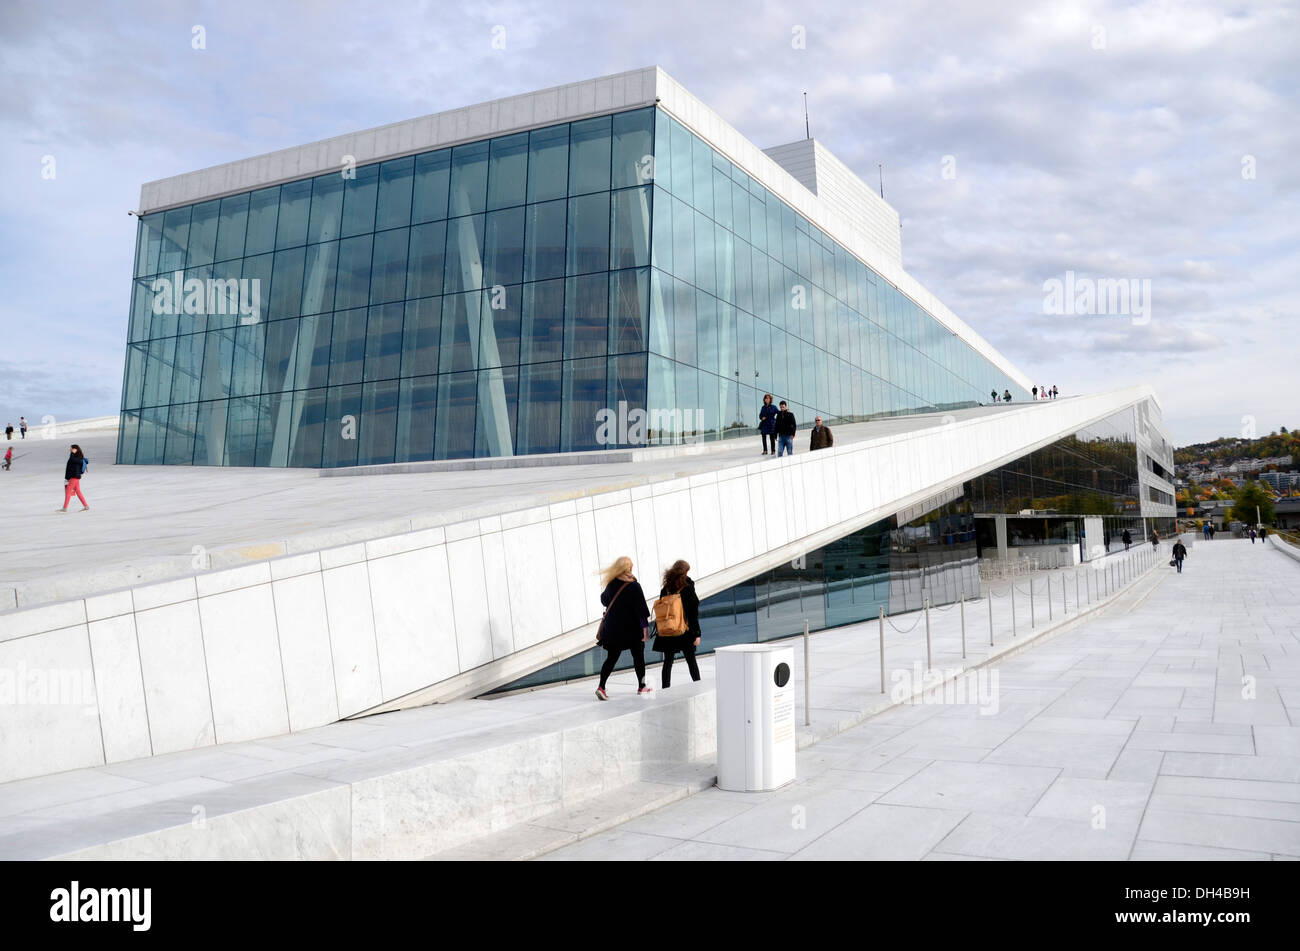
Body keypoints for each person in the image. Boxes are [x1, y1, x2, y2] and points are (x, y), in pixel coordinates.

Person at [595, 556, 651, 700]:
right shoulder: (634, 586)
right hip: (632, 630)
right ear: (629, 569)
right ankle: (642, 686)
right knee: (638, 658)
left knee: (611, 659)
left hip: (614, 630)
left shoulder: (612, 584)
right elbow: (641, 610)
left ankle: (601, 686)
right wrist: (645, 630)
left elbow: (603, 600)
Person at [653, 560, 701, 688]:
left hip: (668, 630)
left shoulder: (666, 589)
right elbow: (693, 614)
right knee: (691, 660)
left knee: (668, 661)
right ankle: (698, 685)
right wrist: (697, 633)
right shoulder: (688, 588)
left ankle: (665, 688)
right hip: (683, 630)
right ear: (685, 572)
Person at [58, 444, 89, 513]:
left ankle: (65, 508)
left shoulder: (77, 458)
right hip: (74, 476)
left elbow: (73, 460)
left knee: (68, 491)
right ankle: (86, 506)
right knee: (78, 491)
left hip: (74, 477)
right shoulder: (75, 457)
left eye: (71, 449)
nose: (70, 450)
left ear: (75, 449)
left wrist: (72, 453)